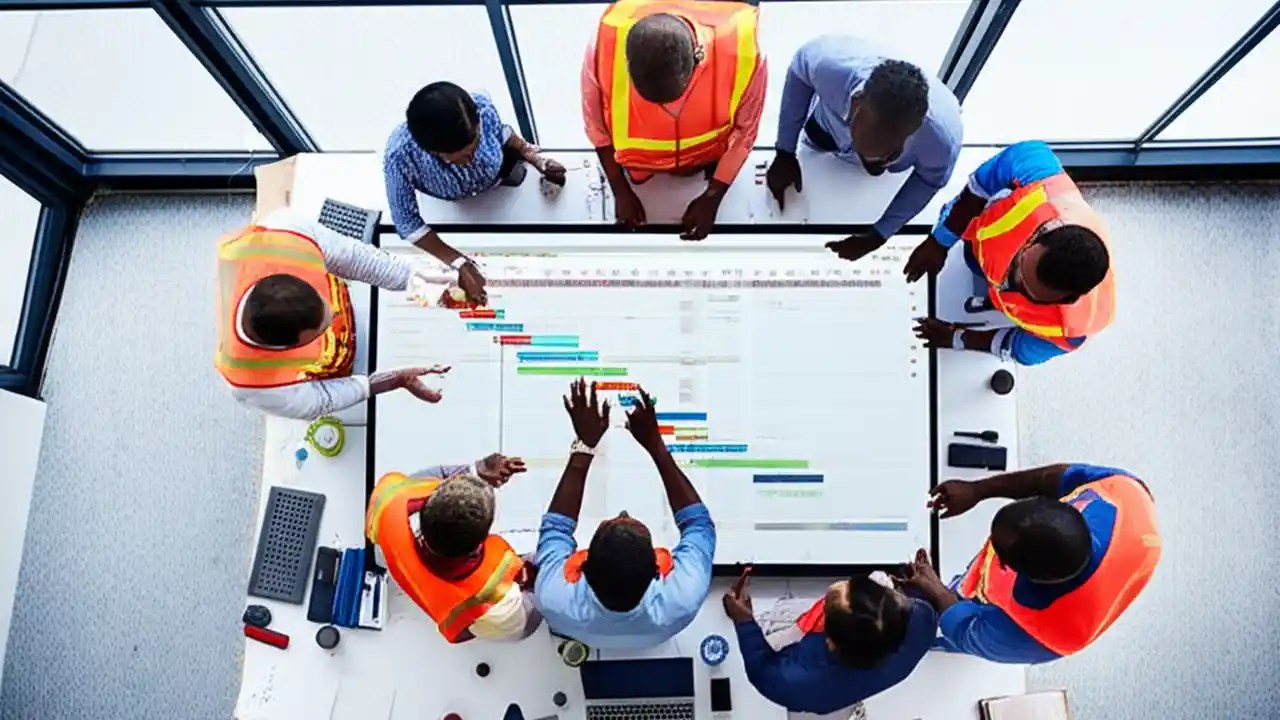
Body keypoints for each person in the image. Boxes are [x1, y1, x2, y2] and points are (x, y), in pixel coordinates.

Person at [906, 463, 1161, 664]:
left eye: (997, 550)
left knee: (922, 627)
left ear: (1008, 569)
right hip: (1116, 554)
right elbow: (1047, 479)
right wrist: (978, 490)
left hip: (1040, 623)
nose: (988, 547)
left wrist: (937, 591)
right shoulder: (1123, 492)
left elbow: (966, 631)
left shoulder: (1037, 634)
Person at [215, 206, 453, 420]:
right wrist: (395, 379)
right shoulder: (254, 385)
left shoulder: (285, 233)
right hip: (346, 368)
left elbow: (355, 259)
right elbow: (321, 399)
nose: (335, 318)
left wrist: (421, 280)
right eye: (322, 330)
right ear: (293, 348)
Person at [534, 380, 716, 648]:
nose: (623, 512)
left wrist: (585, 446)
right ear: (658, 570)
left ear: (582, 566)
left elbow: (555, 530)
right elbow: (699, 525)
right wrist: (655, 445)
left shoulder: (554, 598)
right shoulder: (682, 598)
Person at [904, 140, 1115, 366]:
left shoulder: (1072, 329)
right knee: (972, 261)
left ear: (1068, 300)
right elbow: (979, 187)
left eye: (1026, 290)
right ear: (1039, 235)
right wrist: (940, 242)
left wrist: (956, 338)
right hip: (982, 247)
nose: (1008, 282)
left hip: (993, 263)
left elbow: (1015, 347)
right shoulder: (1036, 175)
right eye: (1019, 266)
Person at [582, 0, 767, 241]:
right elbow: (596, 128)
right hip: (640, 174)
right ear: (627, 63)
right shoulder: (603, 49)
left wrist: (713, 197)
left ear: (698, 58)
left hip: (706, 164)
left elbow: (745, 133)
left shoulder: (745, 54)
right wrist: (619, 189)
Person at [766, 36, 962, 259]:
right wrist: (784, 151)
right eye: (864, 141)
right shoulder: (829, 68)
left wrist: (880, 233)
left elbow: (929, 180)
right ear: (856, 101)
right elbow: (800, 72)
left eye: (887, 154)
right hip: (828, 129)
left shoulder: (942, 142)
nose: (870, 160)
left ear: (916, 129)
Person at [384, 81, 567, 306]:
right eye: (461, 158)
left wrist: (535, 157)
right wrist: (459, 262)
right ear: (433, 152)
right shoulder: (400, 156)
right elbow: (407, 223)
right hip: (456, 205)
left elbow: (504, 133)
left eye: (475, 146)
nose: (471, 161)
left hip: (502, 184)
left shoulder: (481, 107)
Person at [365, 453, 541, 643]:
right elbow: (503, 628)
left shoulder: (390, 503)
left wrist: (476, 471)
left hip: (405, 568)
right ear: (479, 545)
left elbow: (432, 477)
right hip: (501, 610)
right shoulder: (489, 591)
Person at [724, 562, 938, 715]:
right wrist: (914, 585)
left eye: (827, 606)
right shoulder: (922, 621)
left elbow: (760, 670)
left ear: (829, 641)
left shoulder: (789, 681)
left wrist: (744, 622)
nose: (831, 587)